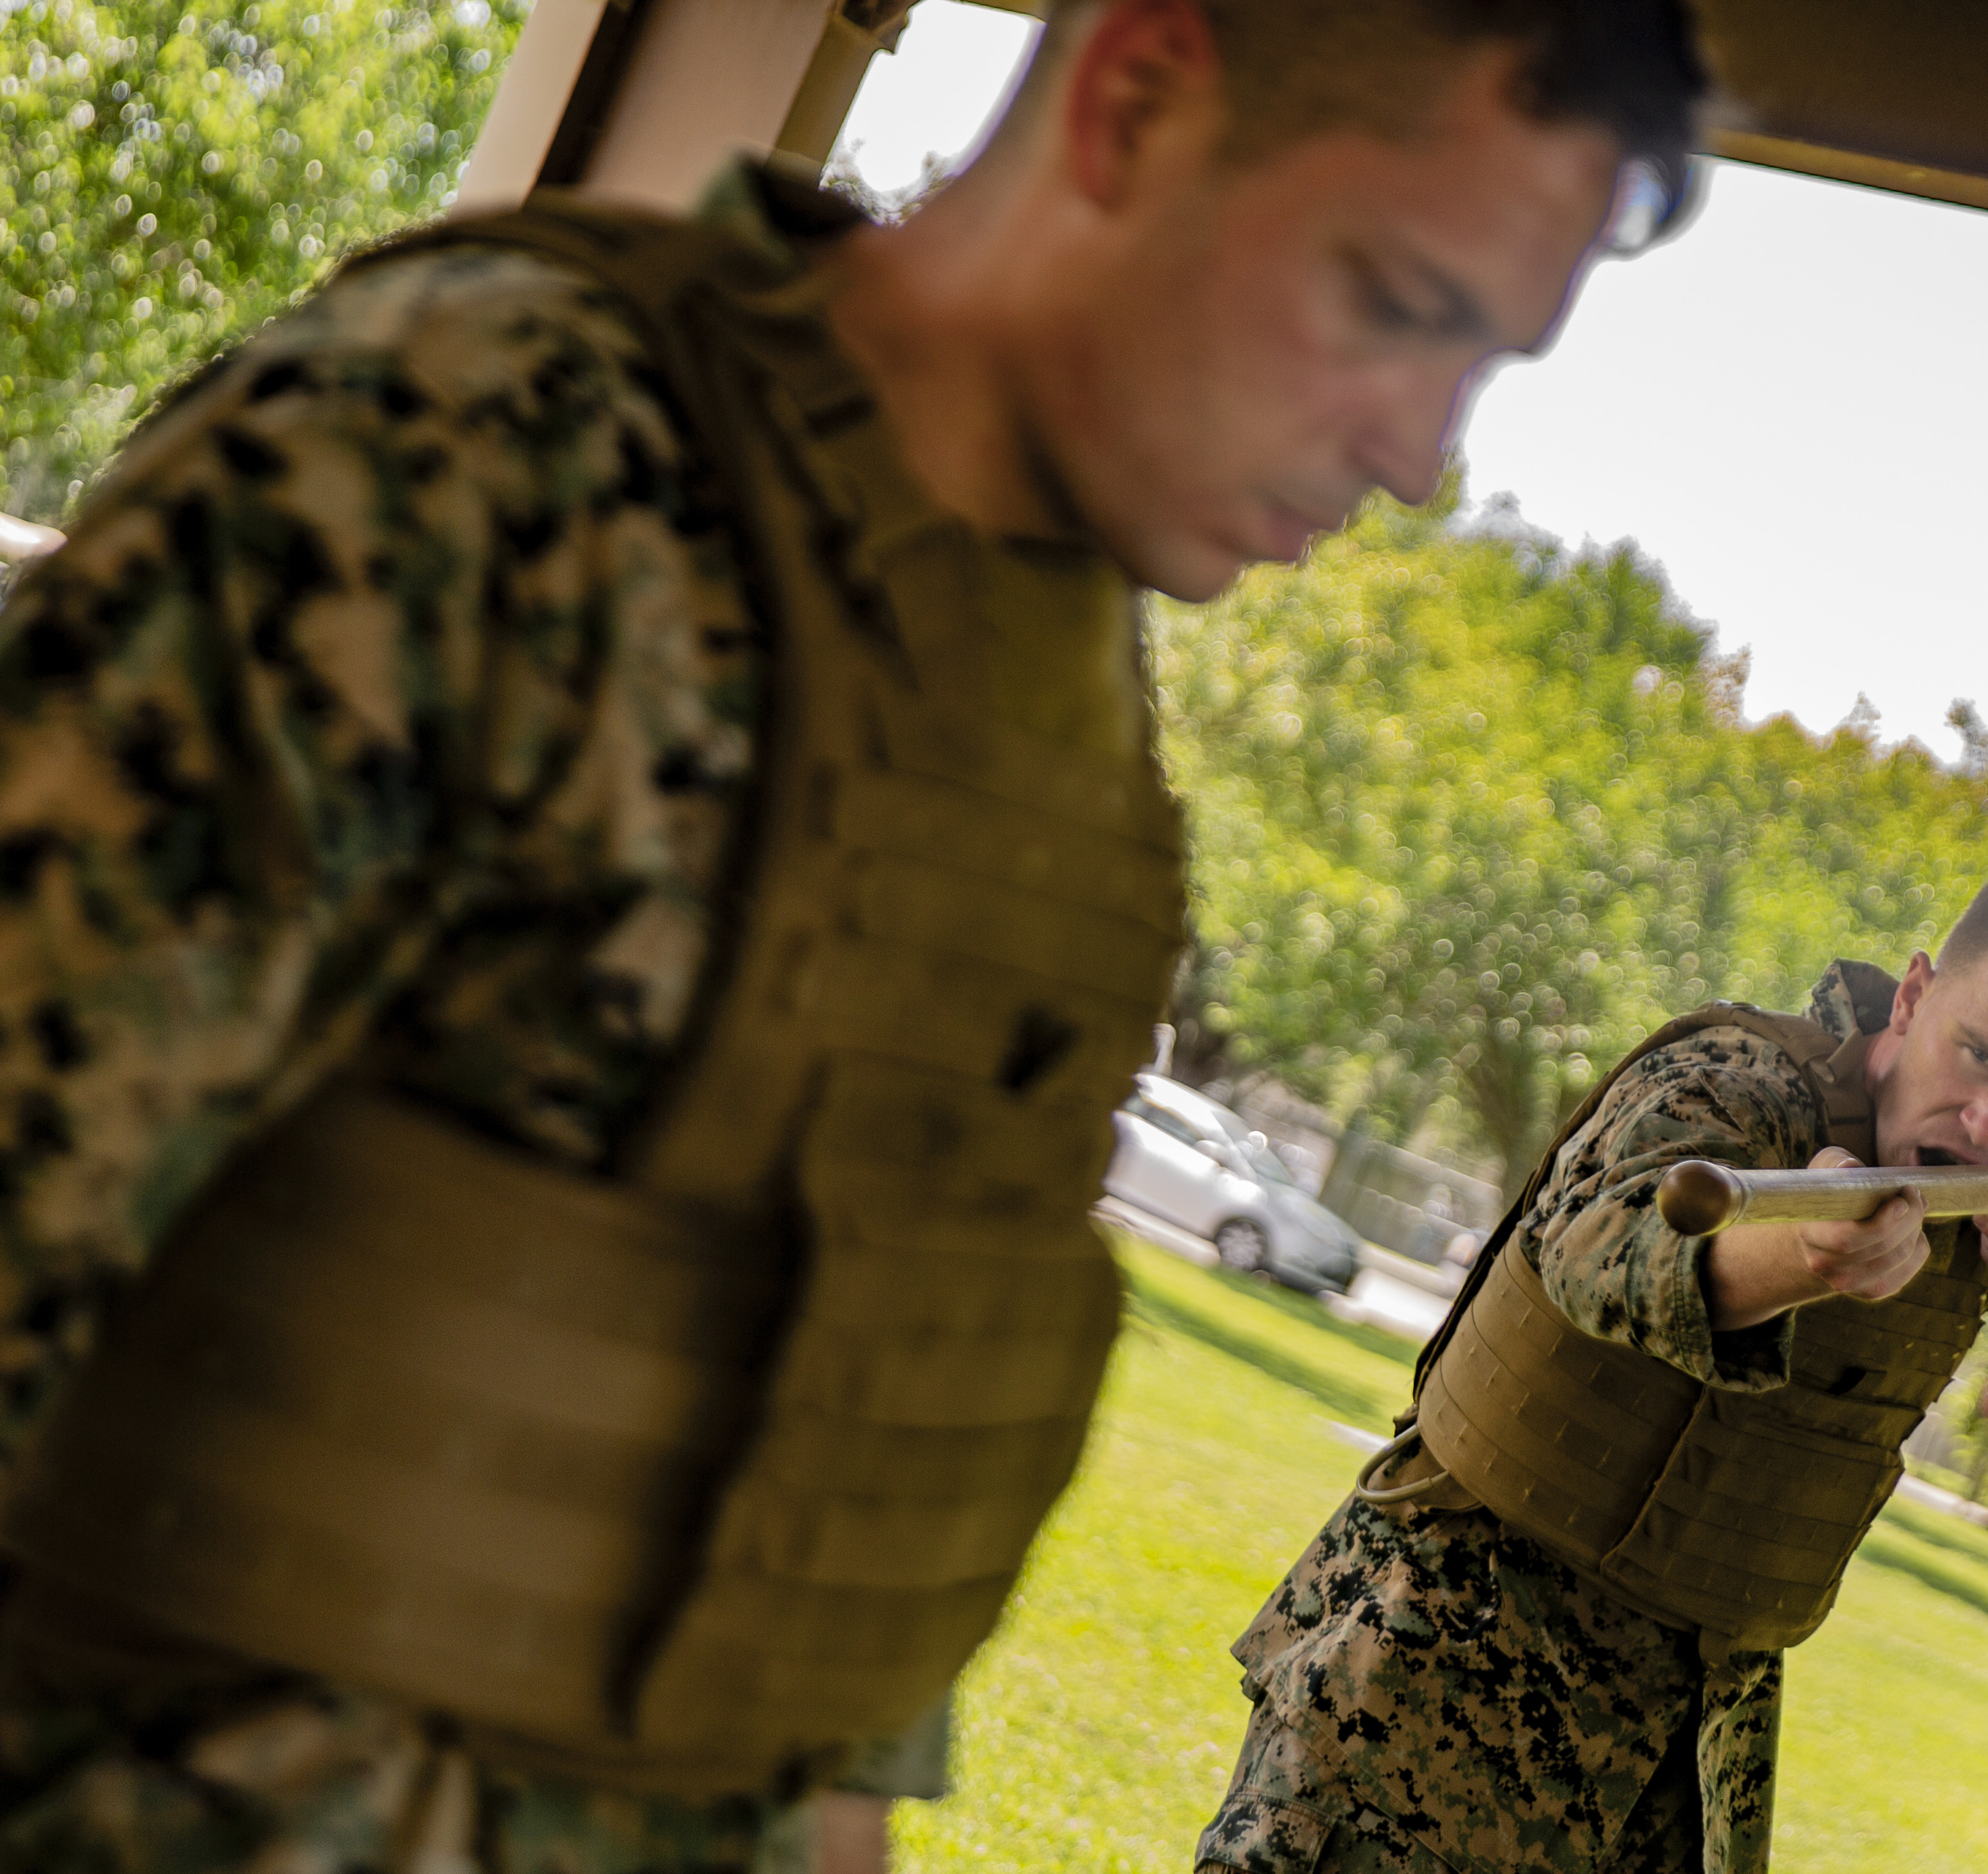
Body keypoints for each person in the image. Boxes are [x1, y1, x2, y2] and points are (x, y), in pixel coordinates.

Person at [0, 3, 1706, 1871]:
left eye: (1488, 362)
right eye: (1395, 300)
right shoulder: (475, 440)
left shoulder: (1056, 707)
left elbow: (838, 1469)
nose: (1418, 456)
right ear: (1136, 103)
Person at [1200, 863, 1988, 1873]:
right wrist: (1804, 1255)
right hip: (1437, 1658)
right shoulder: (1734, 1079)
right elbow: (1603, 1246)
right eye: (1974, 1053)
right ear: (1915, 992)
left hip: (1687, 1742)